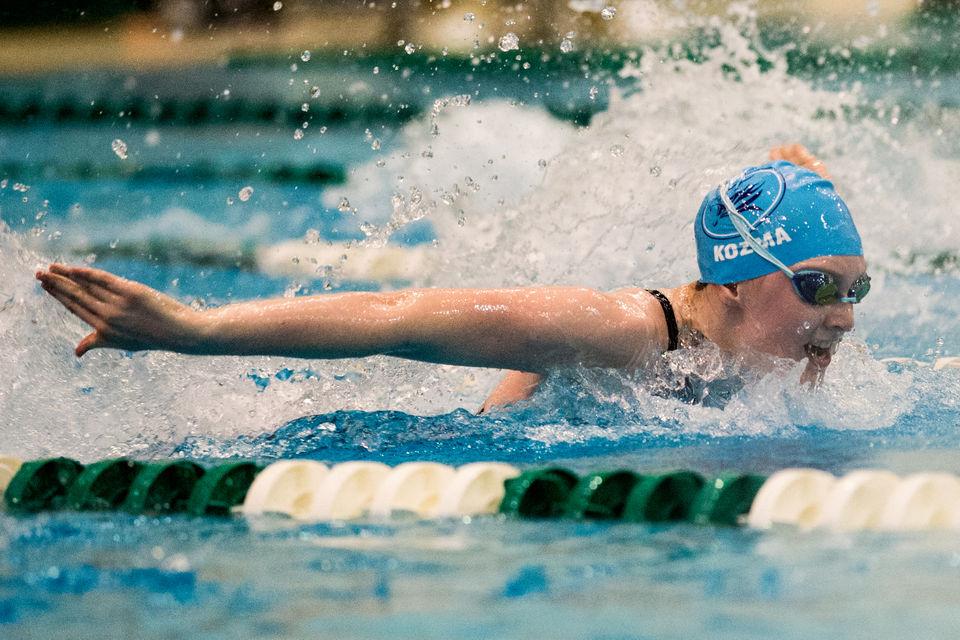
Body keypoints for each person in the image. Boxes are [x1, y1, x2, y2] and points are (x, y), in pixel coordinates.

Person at [35, 144, 869, 413]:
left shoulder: (762, 329)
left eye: (855, 290)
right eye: (820, 289)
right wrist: (195, 331)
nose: (844, 320)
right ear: (729, 282)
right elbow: (401, 313)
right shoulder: (617, 332)